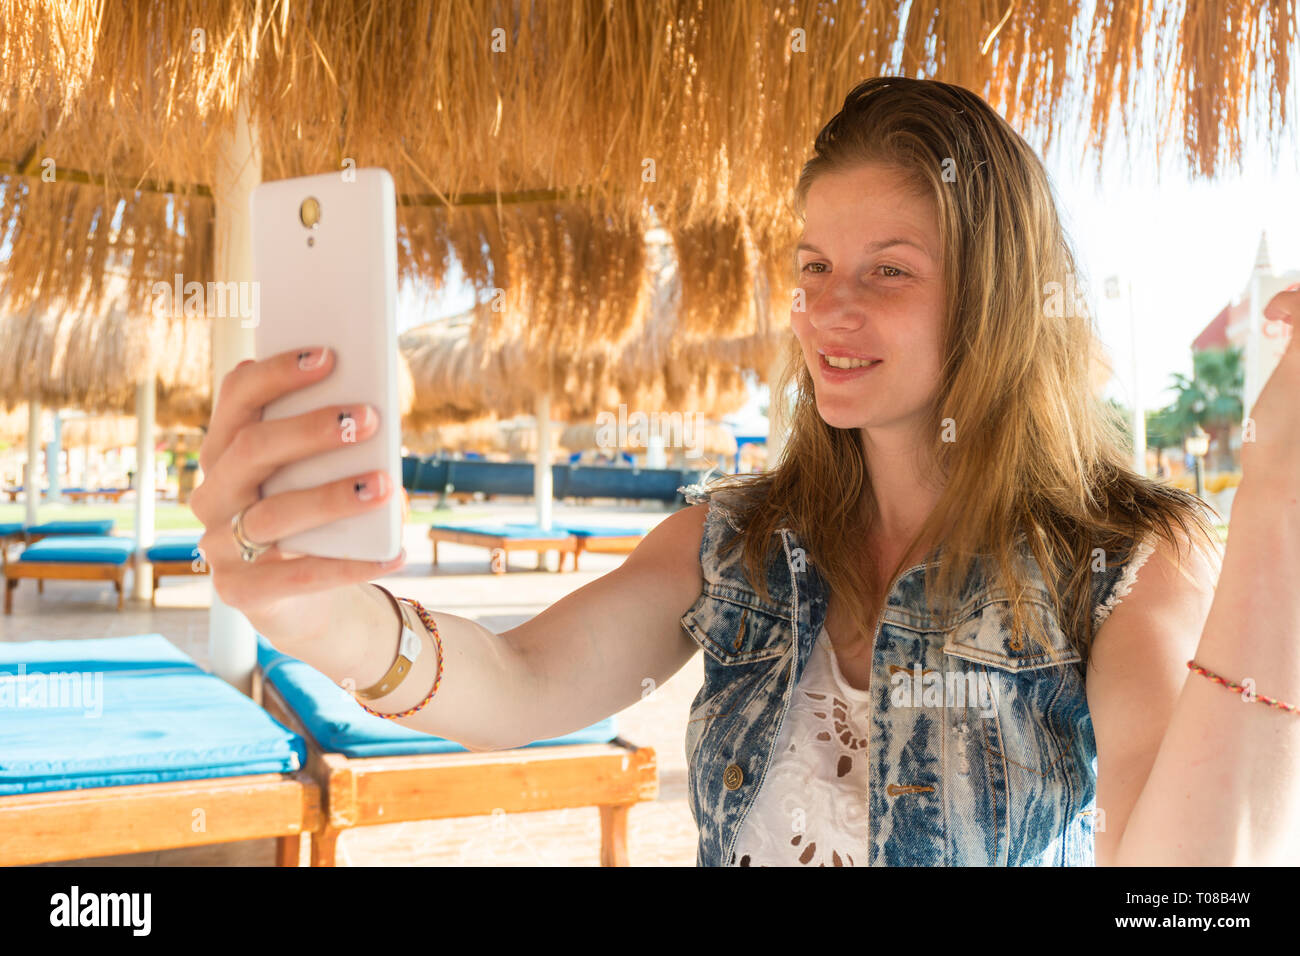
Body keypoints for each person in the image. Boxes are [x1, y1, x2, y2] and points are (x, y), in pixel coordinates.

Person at [191, 76, 1300, 867]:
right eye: (813, 265)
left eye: (888, 270)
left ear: (995, 298)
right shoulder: (736, 540)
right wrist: (326, 618)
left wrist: (1280, 499)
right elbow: (519, 683)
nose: (826, 308)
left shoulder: (1116, 561)